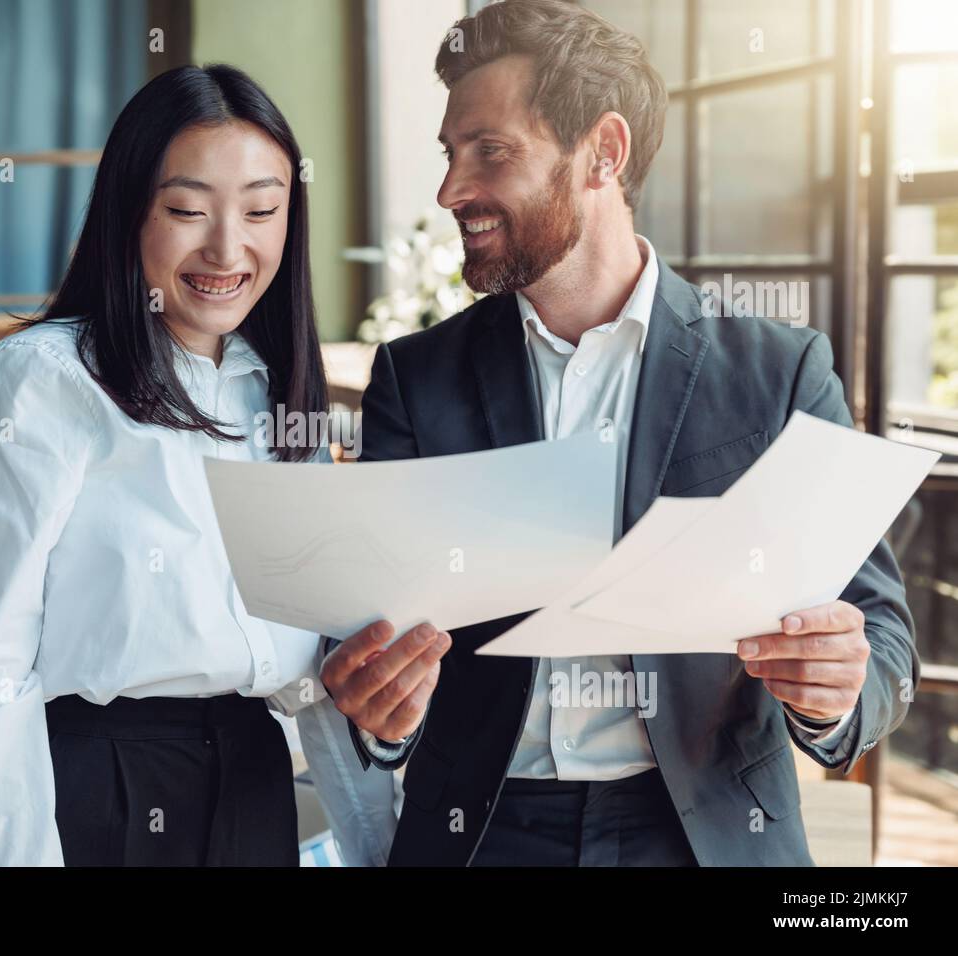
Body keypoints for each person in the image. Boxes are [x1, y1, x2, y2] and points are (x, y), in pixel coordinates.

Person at [321, 0, 918, 866]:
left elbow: (880, 627)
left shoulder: (777, 371)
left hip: (700, 832)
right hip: (481, 831)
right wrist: (376, 713)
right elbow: (366, 634)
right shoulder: (416, 380)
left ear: (604, 151)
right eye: (451, 155)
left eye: (491, 152)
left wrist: (835, 692)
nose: (452, 190)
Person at [0, 63, 411, 866]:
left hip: (253, 782)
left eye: (262, 209)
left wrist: (383, 794)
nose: (228, 247)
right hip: (102, 796)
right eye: (188, 209)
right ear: (130, 212)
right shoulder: (42, 382)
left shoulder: (279, 389)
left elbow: (309, 677)